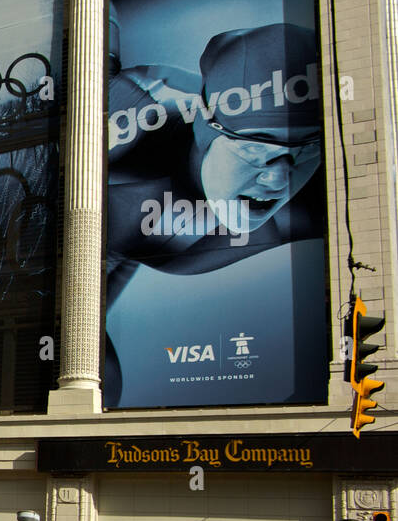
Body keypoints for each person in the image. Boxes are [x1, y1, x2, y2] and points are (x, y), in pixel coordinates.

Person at [104, 21, 325, 403]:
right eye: (258, 151)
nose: (278, 178)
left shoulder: (317, 192)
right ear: (206, 131)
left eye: (304, 152)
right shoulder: (130, 126)